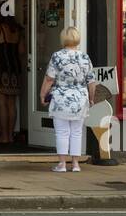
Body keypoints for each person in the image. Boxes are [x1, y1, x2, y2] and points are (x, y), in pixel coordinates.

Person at [39, 27, 94, 172]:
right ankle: (75, 164)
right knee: (77, 132)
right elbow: (91, 81)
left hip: (61, 99)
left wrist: (42, 94)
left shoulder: (57, 56)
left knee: (62, 132)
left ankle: (62, 164)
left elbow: (49, 79)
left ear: (63, 39)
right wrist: (92, 98)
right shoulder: (84, 57)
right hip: (80, 99)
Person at [0, 6, 25, 145]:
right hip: (15, 70)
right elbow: (21, 51)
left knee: (1, 104)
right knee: (12, 104)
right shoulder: (18, 30)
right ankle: (10, 136)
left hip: (0, 70)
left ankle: (3, 136)